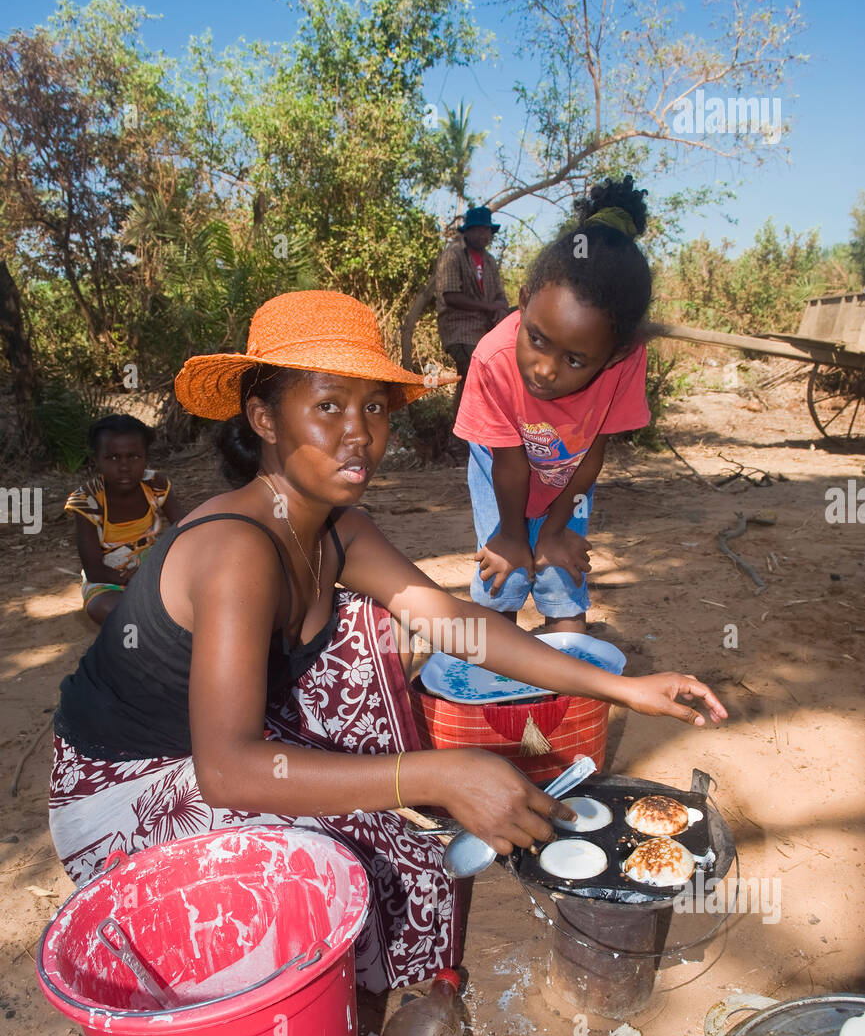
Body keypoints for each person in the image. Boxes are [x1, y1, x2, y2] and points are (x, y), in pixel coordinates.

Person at [48, 290, 726, 994]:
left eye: (373, 407)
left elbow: (455, 625)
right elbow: (226, 772)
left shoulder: (341, 530)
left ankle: (376, 969)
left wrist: (618, 687)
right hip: (131, 793)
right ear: (263, 419)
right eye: (329, 406)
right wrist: (433, 773)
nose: (359, 433)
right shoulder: (235, 551)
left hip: (210, 754)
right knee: (359, 744)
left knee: (383, 667)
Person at [454, 175, 653, 635]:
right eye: (537, 338)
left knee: (560, 575)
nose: (544, 370)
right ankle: (495, 677)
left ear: (617, 354)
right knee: (503, 572)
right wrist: (510, 534)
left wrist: (554, 531)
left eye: (576, 359)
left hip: (571, 471)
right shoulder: (494, 359)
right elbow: (509, 463)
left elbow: (592, 457)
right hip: (501, 467)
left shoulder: (626, 362)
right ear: (523, 304)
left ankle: (567, 690)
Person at [65, 415, 185, 625]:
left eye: (134, 456)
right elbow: (94, 570)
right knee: (102, 606)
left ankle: (155, 618)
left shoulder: (155, 485)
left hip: (154, 569)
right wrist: (132, 581)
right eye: (112, 457)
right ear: (96, 459)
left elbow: (187, 531)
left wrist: (154, 570)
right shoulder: (87, 500)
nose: (124, 466)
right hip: (111, 581)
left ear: (146, 457)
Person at [434, 206, 510, 420]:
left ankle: (477, 434)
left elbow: (500, 296)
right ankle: (460, 439)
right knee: (473, 376)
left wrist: (500, 310)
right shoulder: (452, 255)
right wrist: (489, 307)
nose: (483, 235)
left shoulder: (490, 260)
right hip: (460, 328)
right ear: (466, 231)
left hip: (485, 329)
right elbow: (450, 296)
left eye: (486, 230)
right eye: (478, 230)